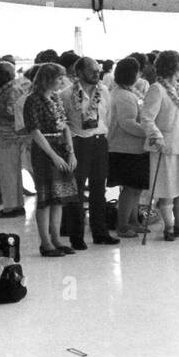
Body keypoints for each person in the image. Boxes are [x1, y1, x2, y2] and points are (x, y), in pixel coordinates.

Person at [139, 50, 179, 241]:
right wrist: (157, 137)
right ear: (174, 67)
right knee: (168, 188)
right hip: (165, 145)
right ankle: (169, 227)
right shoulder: (157, 88)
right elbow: (147, 118)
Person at [22, 63, 79, 256]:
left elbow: (66, 126)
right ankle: (46, 243)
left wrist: (71, 152)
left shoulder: (55, 98)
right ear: (47, 79)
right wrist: (53, 156)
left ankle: (56, 239)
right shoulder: (33, 100)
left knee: (59, 198)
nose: (62, 81)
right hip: (45, 151)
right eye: (59, 78)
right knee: (46, 198)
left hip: (61, 147)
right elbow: (35, 131)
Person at [61, 56, 117, 247]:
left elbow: (107, 116)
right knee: (76, 190)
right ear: (79, 73)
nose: (97, 73)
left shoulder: (104, 90)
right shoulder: (66, 94)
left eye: (98, 70)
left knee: (99, 188)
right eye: (92, 70)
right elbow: (64, 122)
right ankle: (76, 236)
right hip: (78, 142)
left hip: (99, 141)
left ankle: (100, 232)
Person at [106, 57, 150, 238]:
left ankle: (134, 221)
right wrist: (149, 133)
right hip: (124, 148)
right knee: (130, 188)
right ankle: (123, 225)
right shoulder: (123, 96)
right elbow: (128, 123)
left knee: (136, 187)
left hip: (134, 148)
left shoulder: (127, 92)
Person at [0, 61, 27, 218]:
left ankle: (10, 207)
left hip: (8, 138)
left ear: (7, 75)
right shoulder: (10, 89)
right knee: (12, 173)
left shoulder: (12, 91)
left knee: (7, 173)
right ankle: (16, 205)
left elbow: (13, 115)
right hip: (8, 138)